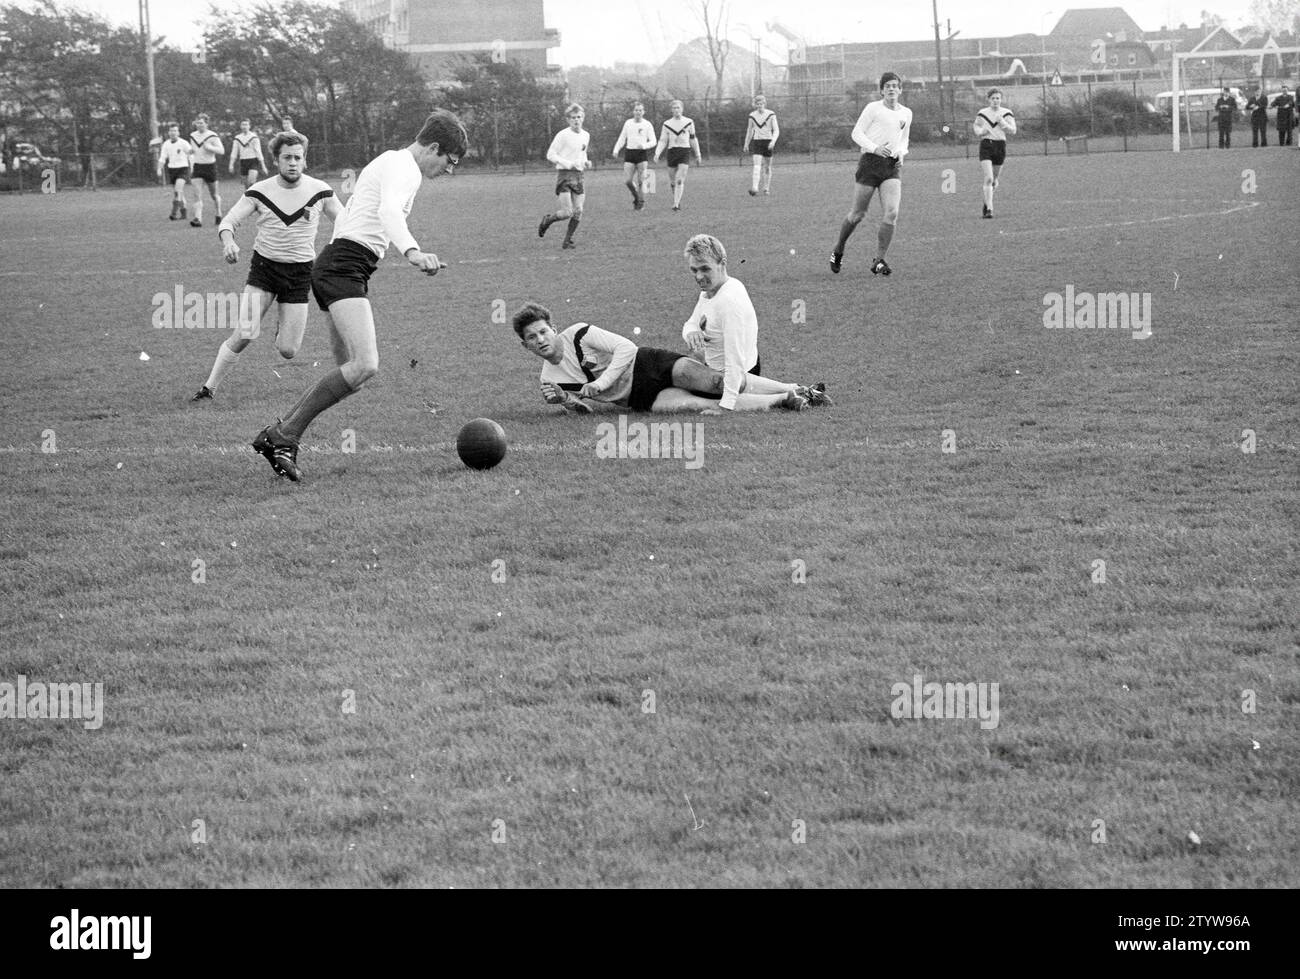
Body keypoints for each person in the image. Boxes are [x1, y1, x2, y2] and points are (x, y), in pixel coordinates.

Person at [251, 109, 467, 481]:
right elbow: (386, 212)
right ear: (434, 147)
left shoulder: (391, 161)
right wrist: (413, 252)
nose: (449, 169)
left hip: (340, 265)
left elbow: (357, 215)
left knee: (351, 369)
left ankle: (281, 433)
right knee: (365, 365)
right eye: (451, 160)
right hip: (343, 267)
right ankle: (283, 435)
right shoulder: (406, 168)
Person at [192, 133, 341, 403]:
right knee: (245, 332)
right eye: (287, 157)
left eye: (298, 157)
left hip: (300, 274)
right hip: (264, 270)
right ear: (276, 160)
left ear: (305, 160)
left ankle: (280, 329)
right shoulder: (260, 191)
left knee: (288, 351)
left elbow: (345, 224)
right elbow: (228, 221)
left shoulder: (321, 191)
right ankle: (208, 388)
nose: (293, 163)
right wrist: (228, 242)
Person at [514, 303, 818, 413]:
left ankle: (798, 387)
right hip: (638, 399)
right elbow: (584, 412)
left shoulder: (579, 334)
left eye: (542, 332)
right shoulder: (549, 380)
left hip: (649, 363)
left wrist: (603, 382)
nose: (540, 340)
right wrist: (563, 402)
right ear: (525, 346)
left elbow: (627, 348)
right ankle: (783, 400)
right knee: (702, 404)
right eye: (531, 337)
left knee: (716, 382)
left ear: (553, 329)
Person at [680, 234, 832, 412]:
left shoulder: (727, 301)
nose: (699, 276)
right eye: (694, 270)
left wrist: (725, 406)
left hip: (739, 374)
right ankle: (798, 389)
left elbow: (734, 360)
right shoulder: (713, 290)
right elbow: (690, 323)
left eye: (705, 269)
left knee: (680, 391)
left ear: (722, 263)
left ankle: (791, 395)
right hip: (727, 368)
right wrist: (691, 332)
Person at [829, 72, 912, 277]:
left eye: (895, 85)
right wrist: (875, 148)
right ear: (882, 90)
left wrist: (901, 152)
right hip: (870, 164)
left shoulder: (907, 113)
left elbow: (904, 139)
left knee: (892, 213)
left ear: (900, 89)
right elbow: (856, 133)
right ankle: (838, 248)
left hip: (891, 167)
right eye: (887, 86)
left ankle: (879, 260)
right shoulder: (873, 108)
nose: (891, 89)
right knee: (858, 215)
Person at [538, 103, 590, 249]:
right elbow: (550, 154)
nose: (576, 120)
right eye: (573, 117)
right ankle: (548, 220)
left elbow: (582, 154)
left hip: (579, 175)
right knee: (568, 212)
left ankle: (567, 240)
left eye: (579, 117)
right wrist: (567, 163)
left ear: (583, 118)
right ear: (568, 120)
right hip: (565, 175)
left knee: (579, 210)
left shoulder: (586, 135)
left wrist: (586, 162)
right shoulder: (563, 135)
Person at [973, 88, 1016, 218]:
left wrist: (1002, 123)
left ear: (1001, 99)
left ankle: (987, 201)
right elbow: (976, 126)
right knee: (989, 178)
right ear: (989, 100)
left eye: (998, 98)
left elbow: (1013, 130)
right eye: (993, 98)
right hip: (986, 145)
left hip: (1000, 146)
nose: (995, 100)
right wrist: (980, 132)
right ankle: (989, 210)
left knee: (994, 180)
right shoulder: (983, 113)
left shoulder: (1007, 113)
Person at [654, 100, 702, 211]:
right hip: (672, 152)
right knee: (673, 181)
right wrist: (657, 153)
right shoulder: (667, 124)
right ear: (671, 110)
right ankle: (677, 200)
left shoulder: (689, 122)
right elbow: (663, 140)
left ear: (682, 109)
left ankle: (675, 204)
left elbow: (693, 139)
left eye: (678, 107)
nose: (676, 110)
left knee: (679, 179)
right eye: (674, 108)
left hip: (684, 151)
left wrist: (698, 154)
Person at [611, 102, 657, 210]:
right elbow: (622, 138)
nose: (638, 112)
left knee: (641, 181)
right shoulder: (628, 123)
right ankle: (637, 197)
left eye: (640, 110)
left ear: (643, 112)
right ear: (633, 111)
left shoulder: (647, 124)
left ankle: (640, 204)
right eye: (636, 110)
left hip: (641, 154)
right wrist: (616, 149)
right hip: (630, 153)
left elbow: (654, 141)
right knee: (627, 181)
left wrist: (644, 145)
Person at [188, 114, 225, 226]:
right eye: (198, 123)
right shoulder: (192, 135)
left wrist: (210, 148)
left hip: (210, 167)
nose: (199, 125)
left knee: (214, 195)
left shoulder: (212, 135)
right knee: (197, 194)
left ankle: (218, 213)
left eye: (201, 123)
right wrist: (191, 152)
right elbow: (194, 150)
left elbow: (221, 151)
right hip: (198, 167)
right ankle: (197, 219)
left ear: (206, 124)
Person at [743, 93, 779, 196]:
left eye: (761, 104)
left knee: (767, 167)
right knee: (757, 165)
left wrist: (773, 141)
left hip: (768, 142)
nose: (759, 106)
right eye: (757, 104)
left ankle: (766, 188)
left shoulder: (771, 114)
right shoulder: (752, 116)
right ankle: (755, 187)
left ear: (764, 103)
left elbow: (776, 130)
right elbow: (749, 131)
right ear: (755, 105)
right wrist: (746, 143)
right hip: (757, 141)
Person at [156, 123, 192, 222]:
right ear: (169, 132)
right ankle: (184, 213)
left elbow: (191, 155)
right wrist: (159, 168)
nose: (173, 133)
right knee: (179, 193)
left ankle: (173, 213)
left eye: (175, 131)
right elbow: (163, 158)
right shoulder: (166, 144)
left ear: (178, 132)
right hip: (172, 170)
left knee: (178, 190)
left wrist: (192, 167)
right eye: (171, 131)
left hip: (183, 169)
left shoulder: (184, 143)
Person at [228, 118, 268, 188]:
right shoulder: (237, 138)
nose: (244, 126)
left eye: (246, 124)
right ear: (240, 126)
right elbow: (234, 152)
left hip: (253, 161)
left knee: (251, 182)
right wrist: (231, 164)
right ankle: (249, 198)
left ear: (249, 126)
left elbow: (258, 151)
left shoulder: (254, 137)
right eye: (243, 125)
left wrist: (263, 166)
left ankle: (254, 195)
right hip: (243, 161)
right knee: (246, 186)